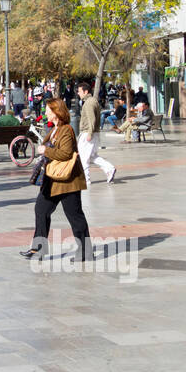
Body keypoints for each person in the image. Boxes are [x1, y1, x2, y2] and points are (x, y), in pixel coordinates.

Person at [20, 99, 91, 261]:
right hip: (52, 179)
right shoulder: (55, 130)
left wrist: (46, 150)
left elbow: (66, 153)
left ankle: (85, 251)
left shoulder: (66, 130)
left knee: (75, 215)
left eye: (48, 110)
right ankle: (38, 248)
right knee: (41, 210)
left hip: (67, 181)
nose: (45, 113)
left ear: (57, 112)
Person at [76, 81, 116, 183]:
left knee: (84, 157)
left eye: (79, 91)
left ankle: (86, 179)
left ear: (85, 91)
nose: (78, 93)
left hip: (88, 133)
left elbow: (91, 119)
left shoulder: (89, 102)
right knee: (92, 156)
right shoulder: (92, 101)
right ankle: (109, 168)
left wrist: (89, 133)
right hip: (91, 132)